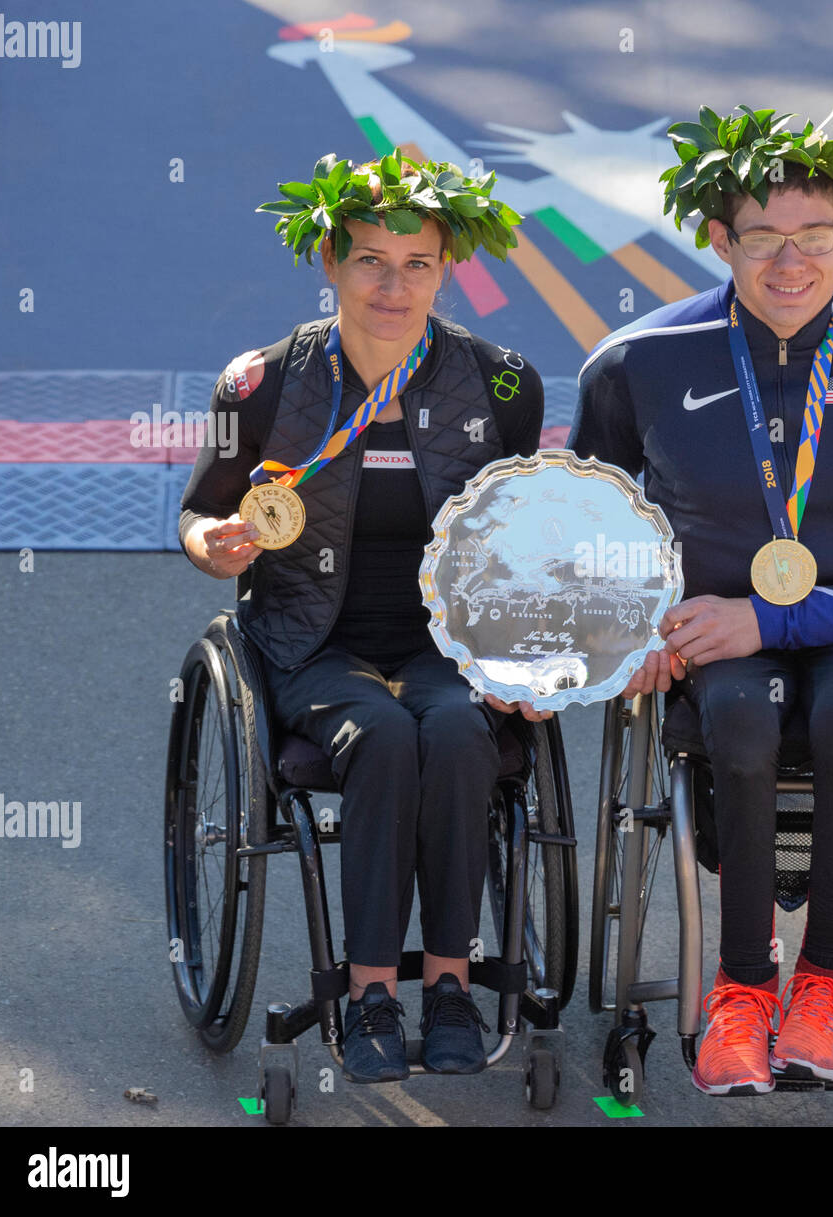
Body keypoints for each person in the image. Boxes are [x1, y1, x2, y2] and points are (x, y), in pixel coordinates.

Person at [570, 106, 833, 1095]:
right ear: (717, 238)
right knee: (732, 713)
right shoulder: (638, 361)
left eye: (813, 237)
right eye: (760, 239)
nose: (788, 263)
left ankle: (827, 976)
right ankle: (740, 984)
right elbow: (585, 542)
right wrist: (623, 624)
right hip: (720, 637)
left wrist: (769, 618)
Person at [179, 151, 548, 1083]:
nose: (394, 284)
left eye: (417, 263)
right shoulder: (257, 386)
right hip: (312, 639)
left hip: (443, 642)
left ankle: (454, 984)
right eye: (370, 262)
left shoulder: (504, 385)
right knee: (381, 736)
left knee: (462, 731)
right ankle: (374, 990)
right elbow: (196, 512)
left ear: (447, 267)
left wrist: (539, 663)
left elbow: (526, 542)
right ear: (330, 265)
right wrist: (214, 542)